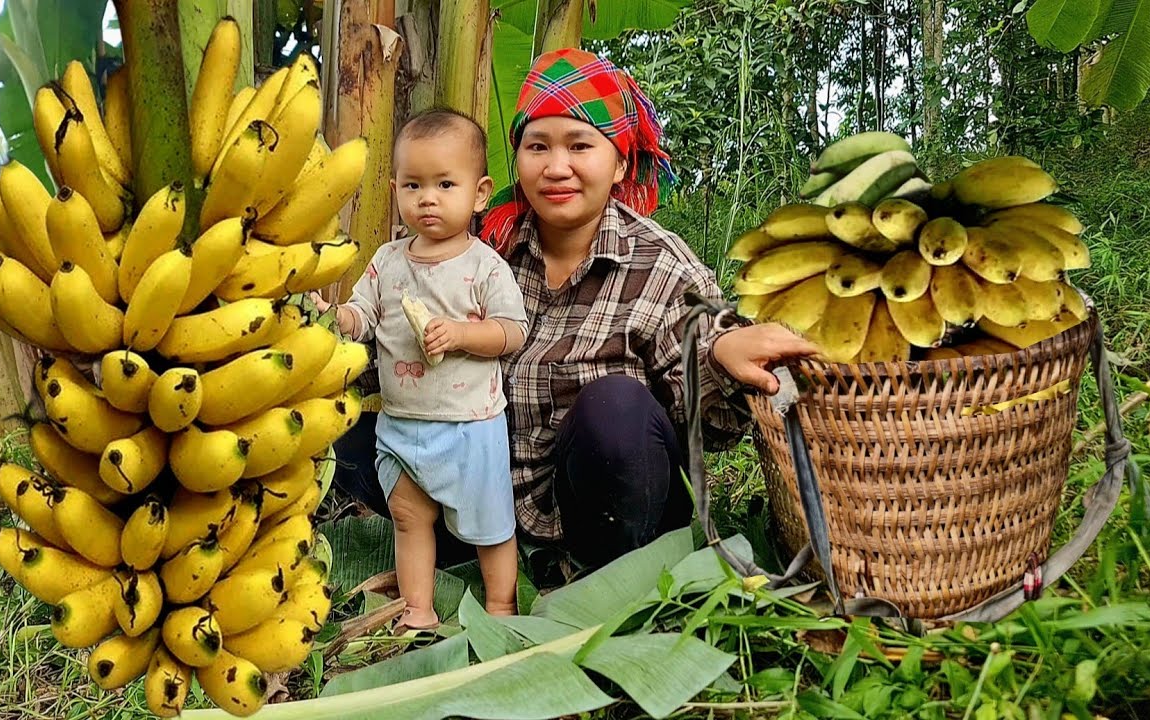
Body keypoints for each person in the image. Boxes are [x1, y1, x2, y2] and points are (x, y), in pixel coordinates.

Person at [332, 48, 818, 576]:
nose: (556, 166)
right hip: (479, 488)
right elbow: (393, 337)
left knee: (613, 408)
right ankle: (466, 549)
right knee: (347, 434)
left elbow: (700, 341)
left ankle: (597, 570)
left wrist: (724, 349)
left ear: (620, 162)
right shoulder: (480, 248)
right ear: (517, 160)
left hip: (605, 511)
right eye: (537, 146)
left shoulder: (656, 261)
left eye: (580, 145)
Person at [313, 108, 529, 631]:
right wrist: (335, 317)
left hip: (469, 425)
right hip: (402, 425)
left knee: (490, 524)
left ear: (479, 194)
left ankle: (501, 605)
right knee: (410, 519)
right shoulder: (387, 262)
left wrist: (461, 334)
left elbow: (513, 330)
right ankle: (418, 607)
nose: (427, 197)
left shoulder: (484, 265)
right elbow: (362, 316)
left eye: (445, 184)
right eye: (413, 185)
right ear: (395, 189)